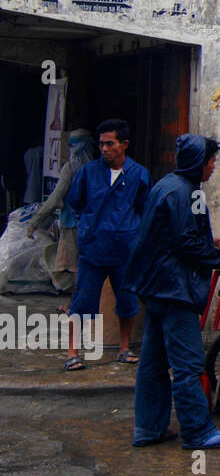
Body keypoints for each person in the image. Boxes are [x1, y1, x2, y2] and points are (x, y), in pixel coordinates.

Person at [125, 134, 220, 450]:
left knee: (153, 364)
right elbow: (185, 243)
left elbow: (174, 236)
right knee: (187, 364)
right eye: (211, 161)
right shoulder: (185, 192)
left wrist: (206, 246)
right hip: (175, 289)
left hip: (157, 289)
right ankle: (197, 431)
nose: (213, 167)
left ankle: (148, 428)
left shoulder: (168, 185)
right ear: (198, 162)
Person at [62, 119, 151, 372]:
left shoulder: (139, 174)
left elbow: (145, 209)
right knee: (81, 301)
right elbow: (75, 202)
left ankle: (124, 349)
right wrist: (88, 225)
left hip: (125, 250)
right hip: (93, 249)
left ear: (124, 144)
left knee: (127, 301)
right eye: (101, 144)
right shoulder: (88, 172)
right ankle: (72, 352)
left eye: (109, 144)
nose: (103, 149)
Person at [27, 128, 95, 292]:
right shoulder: (97, 168)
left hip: (72, 223)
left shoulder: (70, 168)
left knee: (74, 266)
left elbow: (55, 197)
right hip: (92, 223)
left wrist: (35, 222)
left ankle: (75, 302)